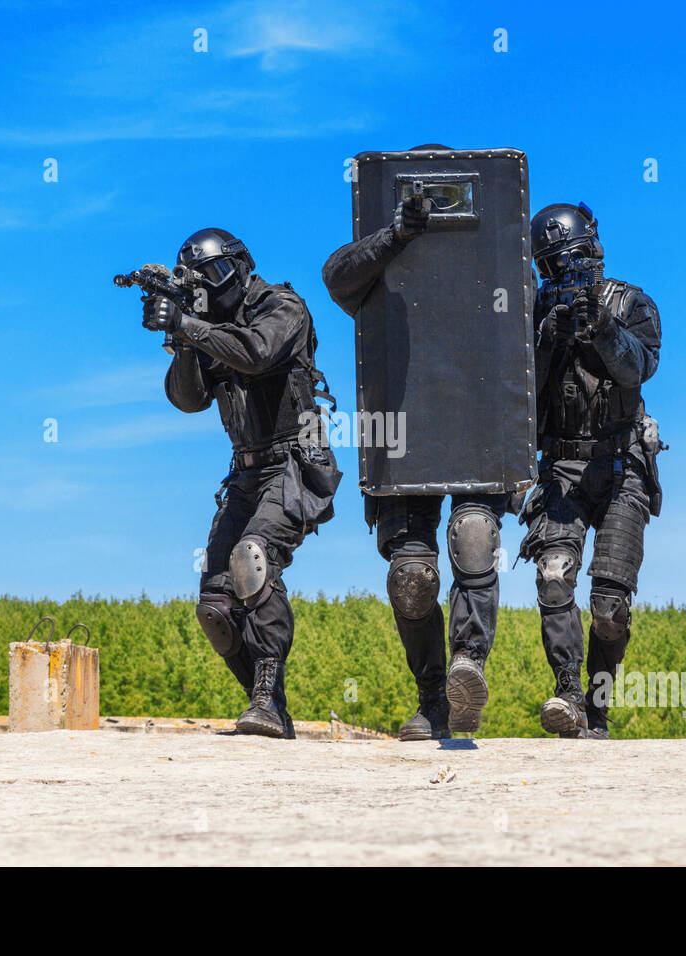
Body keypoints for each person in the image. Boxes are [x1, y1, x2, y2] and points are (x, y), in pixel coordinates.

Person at [322, 169, 511, 739]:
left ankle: (467, 666)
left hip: (478, 423)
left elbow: (525, 339)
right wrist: (396, 235)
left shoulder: (496, 260)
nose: (437, 208)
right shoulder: (377, 264)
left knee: (475, 538)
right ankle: (434, 700)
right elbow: (335, 277)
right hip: (400, 435)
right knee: (411, 577)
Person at [143, 228, 341, 739]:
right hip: (247, 470)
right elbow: (187, 399)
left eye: (213, 273)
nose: (208, 285)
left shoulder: (283, 308)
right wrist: (182, 334)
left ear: (242, 266)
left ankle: (267, 701)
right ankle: (268, 703)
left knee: (252, 560)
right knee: (215, 606)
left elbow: (256, 353)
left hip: (294, 462)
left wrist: (188, 322)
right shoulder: (210, 325)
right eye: (198, 280)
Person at [518, 203, 665, 739]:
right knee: (553, 578)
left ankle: (598, 713)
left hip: (621, 462)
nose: (566, 274)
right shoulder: (533, 315)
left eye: (573, 260)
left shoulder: (630, 303)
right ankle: (568, 696)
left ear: (594, 251)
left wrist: (600, 327)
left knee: (609, 605)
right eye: (553, 266)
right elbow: (519, 400)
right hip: (562, 465)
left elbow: (639, 365)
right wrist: (546, 342)